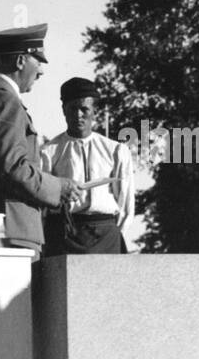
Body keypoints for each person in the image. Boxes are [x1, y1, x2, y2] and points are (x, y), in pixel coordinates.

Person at [0, 25, 81, 254]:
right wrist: (58, 187)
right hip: (9, 232)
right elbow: (12, 169)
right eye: (38, 61)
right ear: (21, 61)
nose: (41, 71)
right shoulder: (5, 101)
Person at [39, 77, 135, 254]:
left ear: (94, 111)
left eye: (84, 109)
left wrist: (113, 234)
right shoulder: (49, 152)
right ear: (64, 111)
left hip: (106, 235)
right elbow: (43, 204)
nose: (78, 115)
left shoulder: (115, 150)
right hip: (65, 234)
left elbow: (125, 202)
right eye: (72, 109)